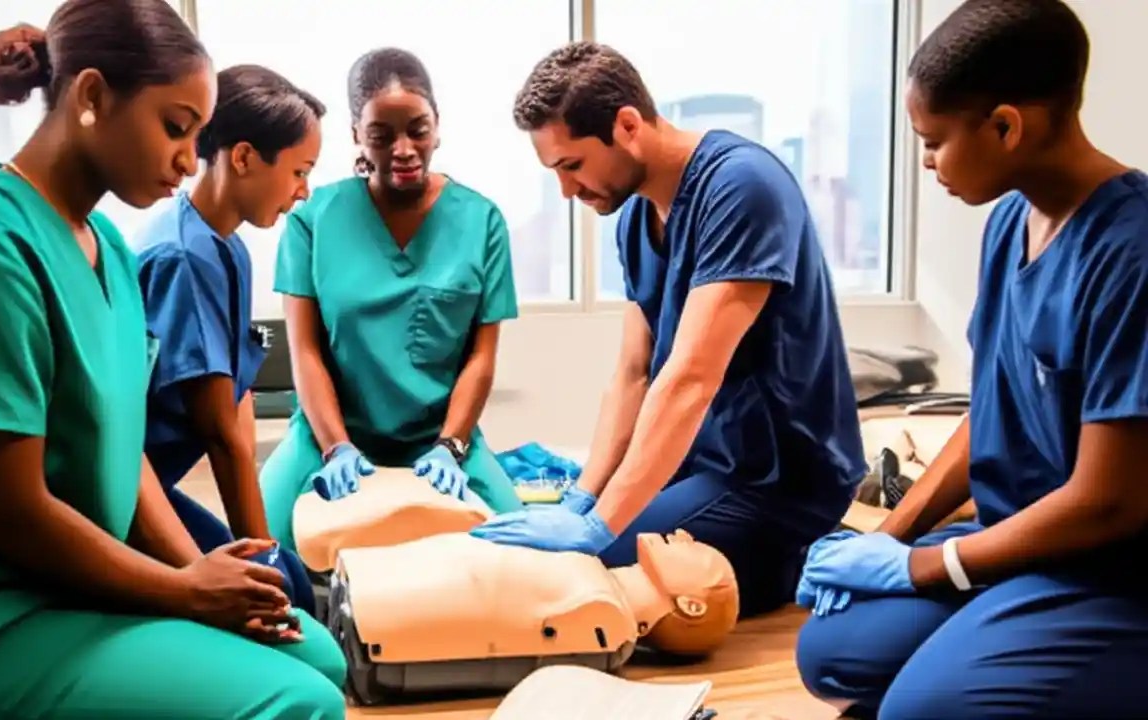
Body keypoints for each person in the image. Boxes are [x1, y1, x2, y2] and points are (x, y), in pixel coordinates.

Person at [0, 2, 346, 718]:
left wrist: (202, 572)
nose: (191, 159)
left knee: (316, 651)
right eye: (176, 127)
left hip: (64, 587)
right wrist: (183, 593)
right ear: (91, 97)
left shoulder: (110, 253)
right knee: (297, 699)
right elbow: (6, 514)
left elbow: (128, 461)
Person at [794, 2, 1148, 717]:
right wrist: (890, 544)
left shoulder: (1132, 251)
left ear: (1007, 126)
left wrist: (929, 566)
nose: (925, 164)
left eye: (933, 142)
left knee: (920, 709)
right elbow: (988, 413)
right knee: (832, 648)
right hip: (1020, 545)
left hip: (1112, 571)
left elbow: (1109, 502)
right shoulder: (1010, 222)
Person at [470, 41, 866, 618]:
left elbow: (689, 379)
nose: (567, 191)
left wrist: (599, 528)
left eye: (572, 166)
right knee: (551, 549)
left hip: (780, 480)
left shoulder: (741, 186)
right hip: (706, 462)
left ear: (627, 125)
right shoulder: (634, 218)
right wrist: (583, 499)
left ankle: (807, 554)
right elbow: (634, 374)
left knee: (590, 573)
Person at [260, 47, 523, 556]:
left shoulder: (482, 220)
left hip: (443, 440)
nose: (403, 149)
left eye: (418, 130)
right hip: (329, 436)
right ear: (357, 135)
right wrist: (335, 446)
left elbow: (481, 358)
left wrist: (452, 445)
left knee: (527, 556)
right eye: (382, 135)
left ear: (438, 126)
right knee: (259, 547)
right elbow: (305, 352)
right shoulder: (312, 219)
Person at [132, 64, 326, 614]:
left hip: (155, 484)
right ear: (243, 158)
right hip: (120, 493)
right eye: (298, 171)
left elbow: (236, 399)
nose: (303, 191)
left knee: (288, 574)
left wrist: (266, 551)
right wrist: (262, 565)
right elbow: (218, 431)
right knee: (280, 589)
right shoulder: (183, 257)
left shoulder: (226, 246)